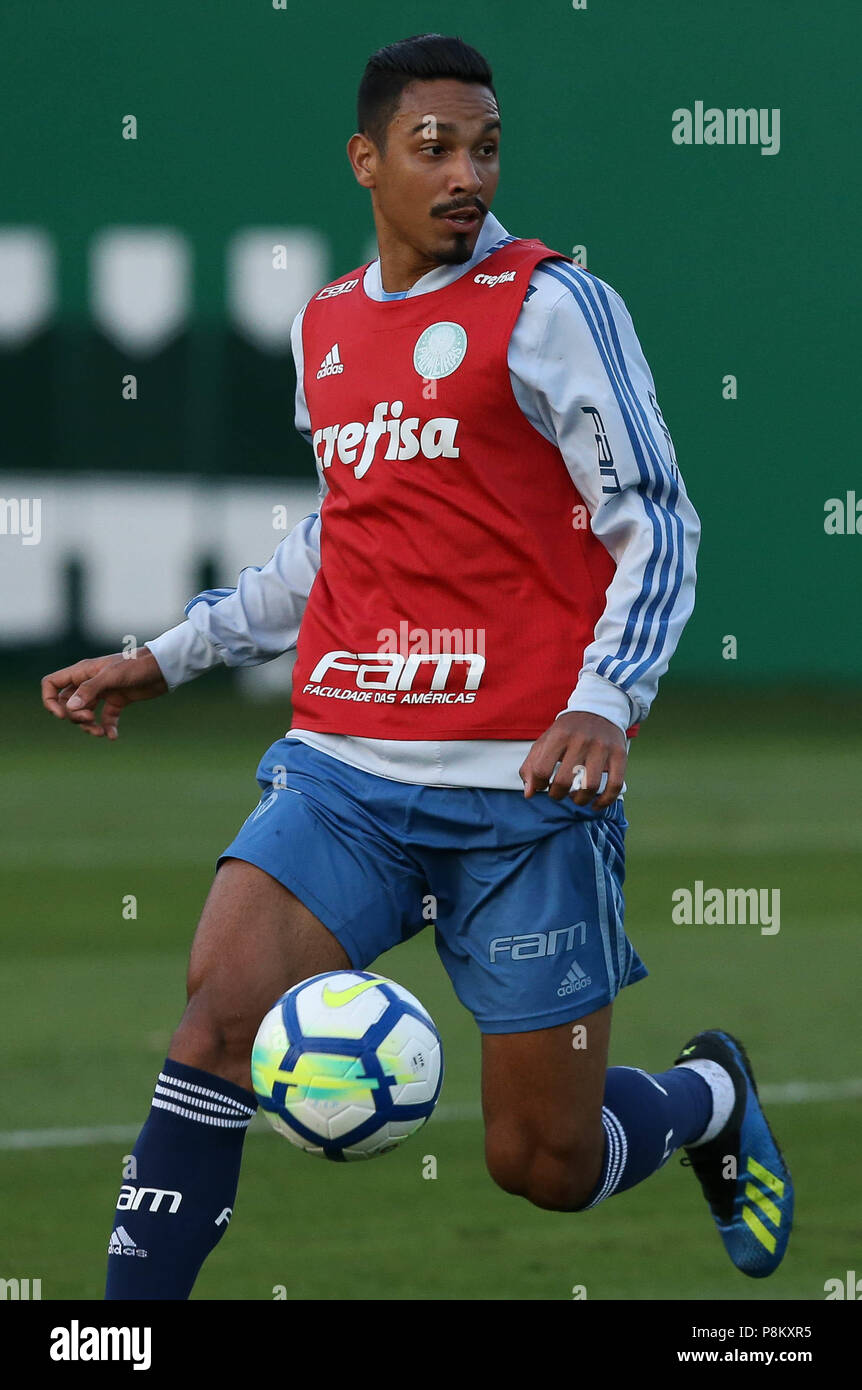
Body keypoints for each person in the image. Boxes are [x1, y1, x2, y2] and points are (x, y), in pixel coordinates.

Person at [42, 33, 792, 1299]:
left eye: (484, 147)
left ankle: (708, 1097)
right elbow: (346, 533)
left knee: (543, 1161)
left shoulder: (554, 308)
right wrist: (166, 656)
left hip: (525, 792)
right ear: (366, 160)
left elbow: (655, 520)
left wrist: (605, 702)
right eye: (433, 147)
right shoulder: (326, 328)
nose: (465, 174)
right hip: (344, 767)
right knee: (216, 1025)